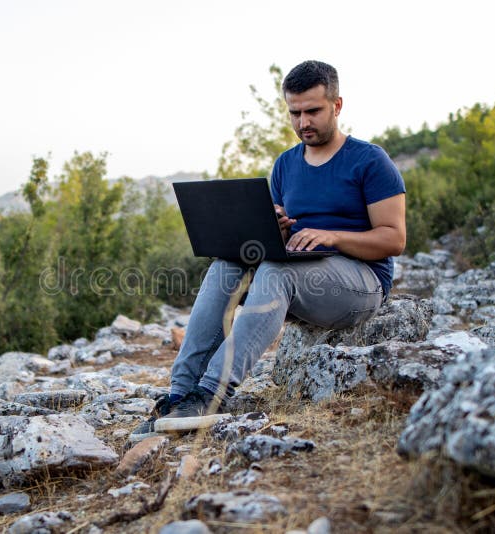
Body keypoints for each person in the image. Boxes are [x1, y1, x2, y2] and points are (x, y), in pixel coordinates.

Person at [130, 60, 406, 440]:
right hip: (303, 273)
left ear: (337, 106)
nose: (303, 122)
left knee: (278, 271)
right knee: (227, 266)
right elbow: (277, 235)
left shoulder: (370, 161)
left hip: (361, 281)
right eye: (295, 113)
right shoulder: (286, 165)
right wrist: (272, 228)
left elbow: (394, 239)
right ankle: (180, 396)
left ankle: (212, 394)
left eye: (313, 111)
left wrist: (333, 236)